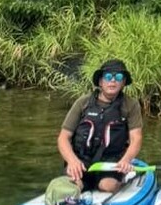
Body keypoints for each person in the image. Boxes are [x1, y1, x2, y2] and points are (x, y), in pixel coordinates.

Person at [57, 58, 143, 196]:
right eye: (108, 77)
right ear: (101, 82)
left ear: (123, 82)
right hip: (81, 160)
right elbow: (63, 138)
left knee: (107, 186)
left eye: (118, 77)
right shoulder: (82, 103)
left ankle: (124, 179)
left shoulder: (130, 105)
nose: (113, 81)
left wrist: (126, 160)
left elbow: (136, 139)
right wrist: (72, 161)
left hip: (111, 161)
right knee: (74, 186)